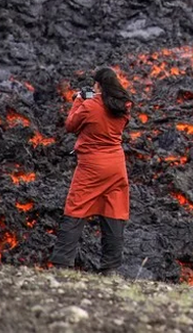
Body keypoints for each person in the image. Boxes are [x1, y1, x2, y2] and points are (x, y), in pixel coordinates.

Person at [50, 67, 132, 273]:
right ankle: (110, 269)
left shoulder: (89, 105)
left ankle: (62, 263)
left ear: (98, 85)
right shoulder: (123, 105)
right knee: (114, 211)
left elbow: (70, 125)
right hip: (116, 166)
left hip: (92, 166)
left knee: (76, 208)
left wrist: (80, 99)